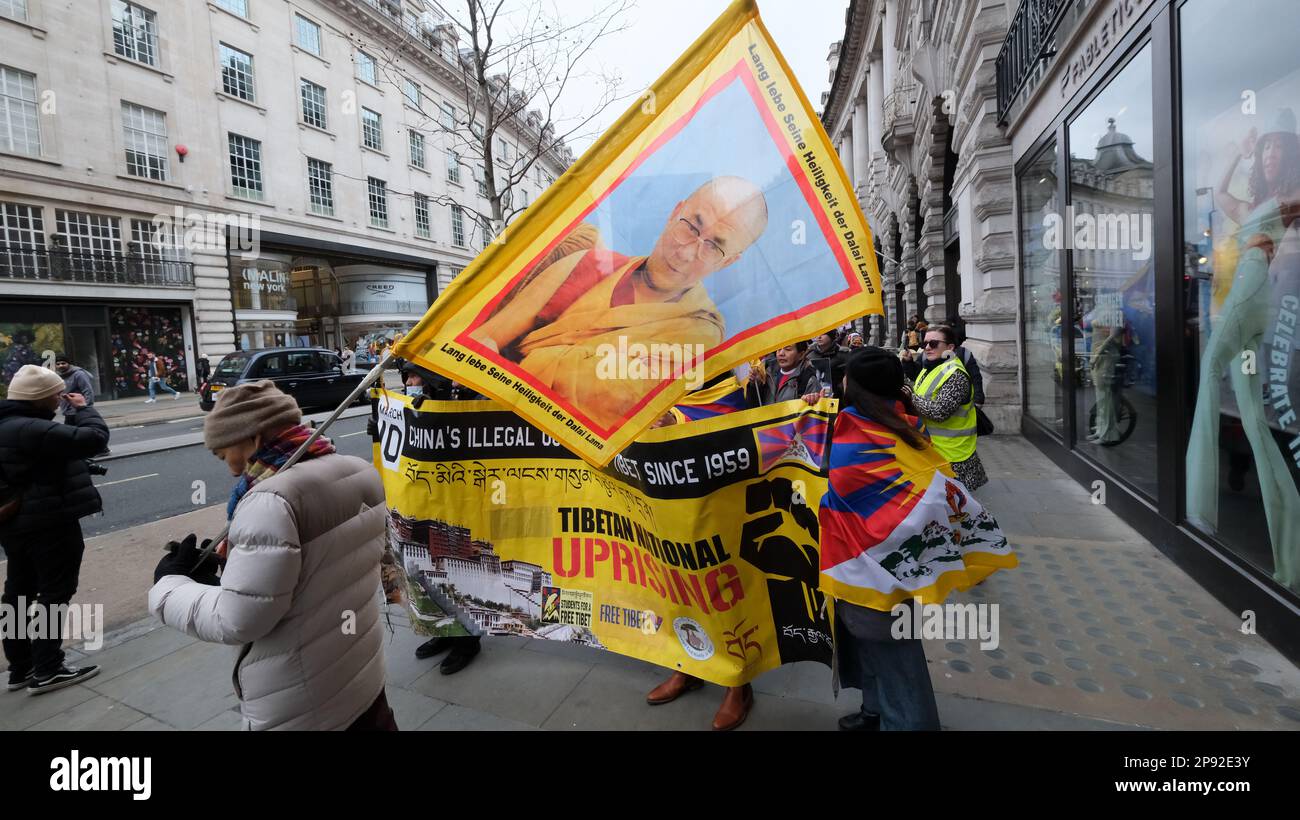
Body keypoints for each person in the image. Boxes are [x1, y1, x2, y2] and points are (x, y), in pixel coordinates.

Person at [148, 380, 394, 730]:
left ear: (252, 436)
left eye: (224, 454)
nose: (232, 469)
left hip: (304, 705)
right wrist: (234, 575)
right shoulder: (358, 469)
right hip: (362, 678)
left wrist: (170, 585)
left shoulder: (269, 501)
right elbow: (323, 575)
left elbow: (239, 620)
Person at [469, 176, 769, 428]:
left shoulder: (700, 331)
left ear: (728, 261)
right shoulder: (583, 264)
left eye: (714, 246)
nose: (687, 251)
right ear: (675, 211)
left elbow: (610, 396)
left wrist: (524, 363)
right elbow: (486, 339)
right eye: (691, 226)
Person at [822, 348, 946, 731]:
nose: (842, 380)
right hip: (873, 561)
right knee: (868, 646)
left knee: (894, 654)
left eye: (847, 375)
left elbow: (833, 486)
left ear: (858, 386)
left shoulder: (861, 433)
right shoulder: (900, 421)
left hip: (872, 564)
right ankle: (875, 710)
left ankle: (909, 722)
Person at [0, 364, 108, 694]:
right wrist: (84, 409)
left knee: (17, 594)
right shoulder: (30, 427)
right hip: (49, 522)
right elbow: (94, 439)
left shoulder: (7, 425)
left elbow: (39, 459)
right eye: (55, 394)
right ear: (39, 398)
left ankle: (21, 667)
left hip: (14, 524)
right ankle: (48, 668)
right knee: (55, 593)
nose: (60, 398)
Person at [396, 360, 483, 675]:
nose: (410, 383)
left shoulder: (461, 400)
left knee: (456, 575)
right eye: (407, 377)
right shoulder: (413, 403)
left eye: (415, 376)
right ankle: (443, 631)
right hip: (423, 503)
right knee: (428, 574)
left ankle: (467, 640)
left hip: (457, 505)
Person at [900, 325, 987, 490]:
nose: (927, 347)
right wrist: (908, 365)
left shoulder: (955, 374)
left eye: (933, 343)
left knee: (953, 503)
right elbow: (923, 393)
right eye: (924, 343)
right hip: (934, 450)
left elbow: (939, 412)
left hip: (952, 456)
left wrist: (910, 396)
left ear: (950, 347)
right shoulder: (931, 367)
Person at [746, 341, 827, 407]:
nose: (781, 353)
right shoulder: (766, 373)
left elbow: (815, 416)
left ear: (801, 355)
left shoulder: (809, 380)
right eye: (778, 349)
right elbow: (754, 407)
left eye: (788, 349)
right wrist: (755, 384)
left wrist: (813, 400)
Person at [810, 331, 851, 399]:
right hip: (814, 398)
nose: (819, 337)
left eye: (823, 334)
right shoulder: (810, 355)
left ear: (831, 336)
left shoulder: (843, 354)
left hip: (838, 398)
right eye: (817, 334)